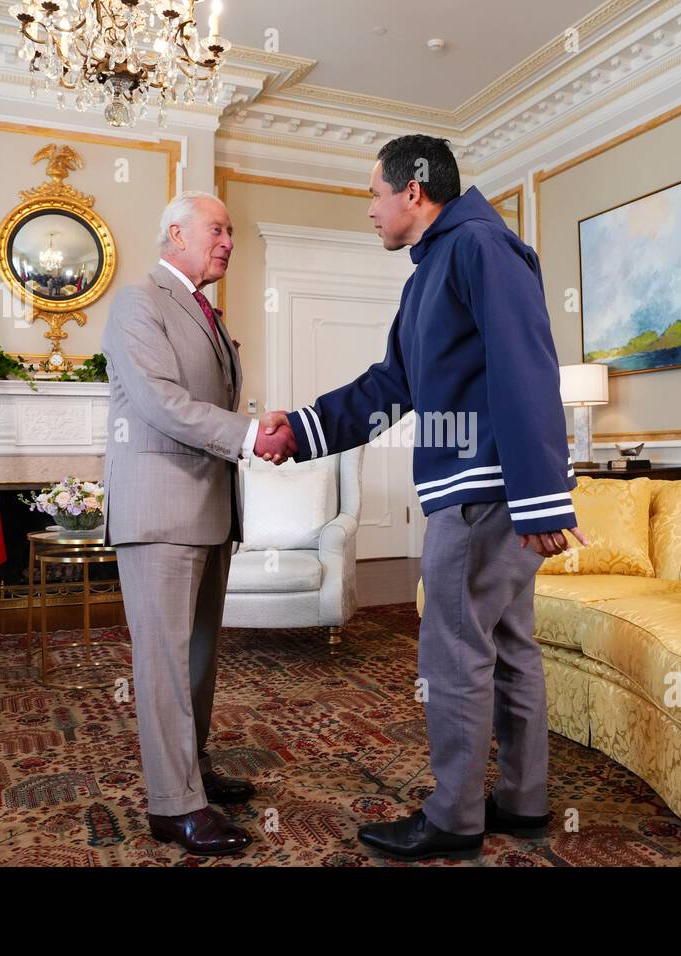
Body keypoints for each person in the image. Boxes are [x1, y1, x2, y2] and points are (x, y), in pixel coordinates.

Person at [263, 135, 587, 860]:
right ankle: (522, 801)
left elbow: (526, 367)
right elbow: (393, 387)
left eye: (375, 194)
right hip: (487, 492)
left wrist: (540, 500)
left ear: (413, 191)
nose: (371, 210)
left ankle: (453, 818)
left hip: (480, 496)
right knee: (505, 647)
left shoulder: (479, 248)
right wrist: (304, 429)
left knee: (454, 655)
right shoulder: (435, 268)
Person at [101, 191, 297, 855]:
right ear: (176, 232)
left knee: (199, 658)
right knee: (162, 662)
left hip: (211, 510)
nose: (229, 241)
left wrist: (256, 428)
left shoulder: (205, 311)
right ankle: (173, 805)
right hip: (159, 512)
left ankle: (192, 769)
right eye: (218, 229)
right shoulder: (138, 302)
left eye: (233, 231)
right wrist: (250, 434)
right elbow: (161, 403)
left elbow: (206, 404)